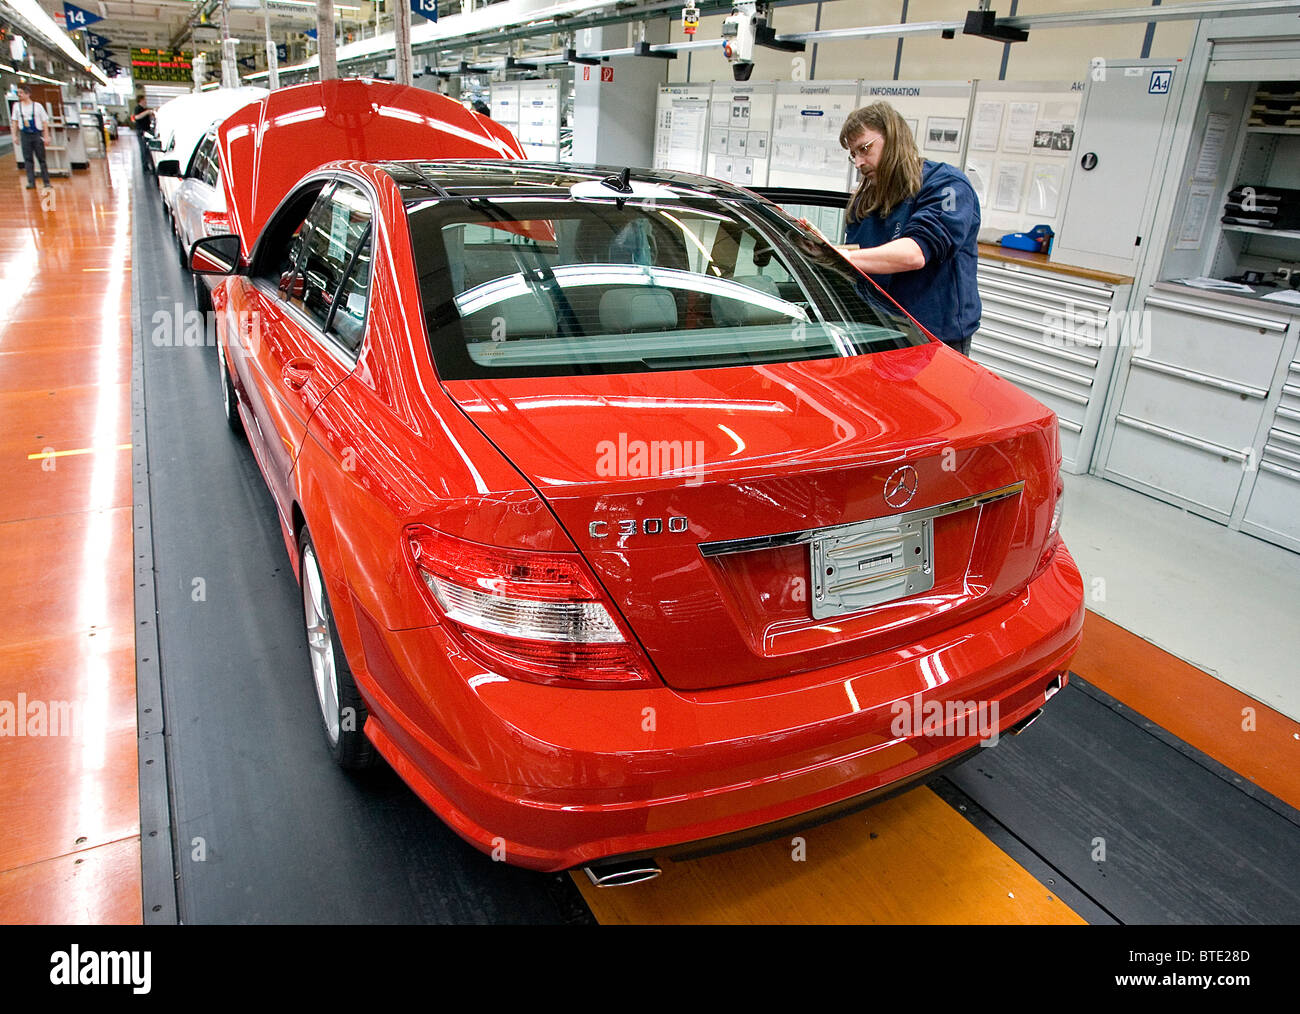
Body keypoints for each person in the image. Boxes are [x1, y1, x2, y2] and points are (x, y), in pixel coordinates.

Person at [811, 101, 981, 356]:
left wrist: (841, 256)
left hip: (934, 340)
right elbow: (862, 256)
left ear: (892, 137)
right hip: (877, 331)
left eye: (864, 149)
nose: (858, 162)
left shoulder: (947, 186)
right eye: (853, 155)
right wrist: (823, 252)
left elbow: (914, 254)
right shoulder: (867, 199)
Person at [10, 85, 52, 190]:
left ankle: (46, 182)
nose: (19, 95)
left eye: (21, 93)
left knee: (42, 159)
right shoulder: (16, 107)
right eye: (18, 93)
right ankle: (31, 182)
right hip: (25, 135)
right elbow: (14, 122)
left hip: (36, 134)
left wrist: (46, 136)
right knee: (28, 159)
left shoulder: (37, 106)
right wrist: (14, 135)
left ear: (28, 94)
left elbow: (45, 122)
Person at [131, 93, 156, 175]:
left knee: (147, 149)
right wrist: (147, 112)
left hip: (146, 131)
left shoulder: (143, 109)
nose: (146, 101)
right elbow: (136, 117)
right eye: (144, 100)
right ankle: (145, 167)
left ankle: (148, 166)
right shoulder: (138, 108)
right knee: (144, 149)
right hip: (141, 131)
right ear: (141, 100)